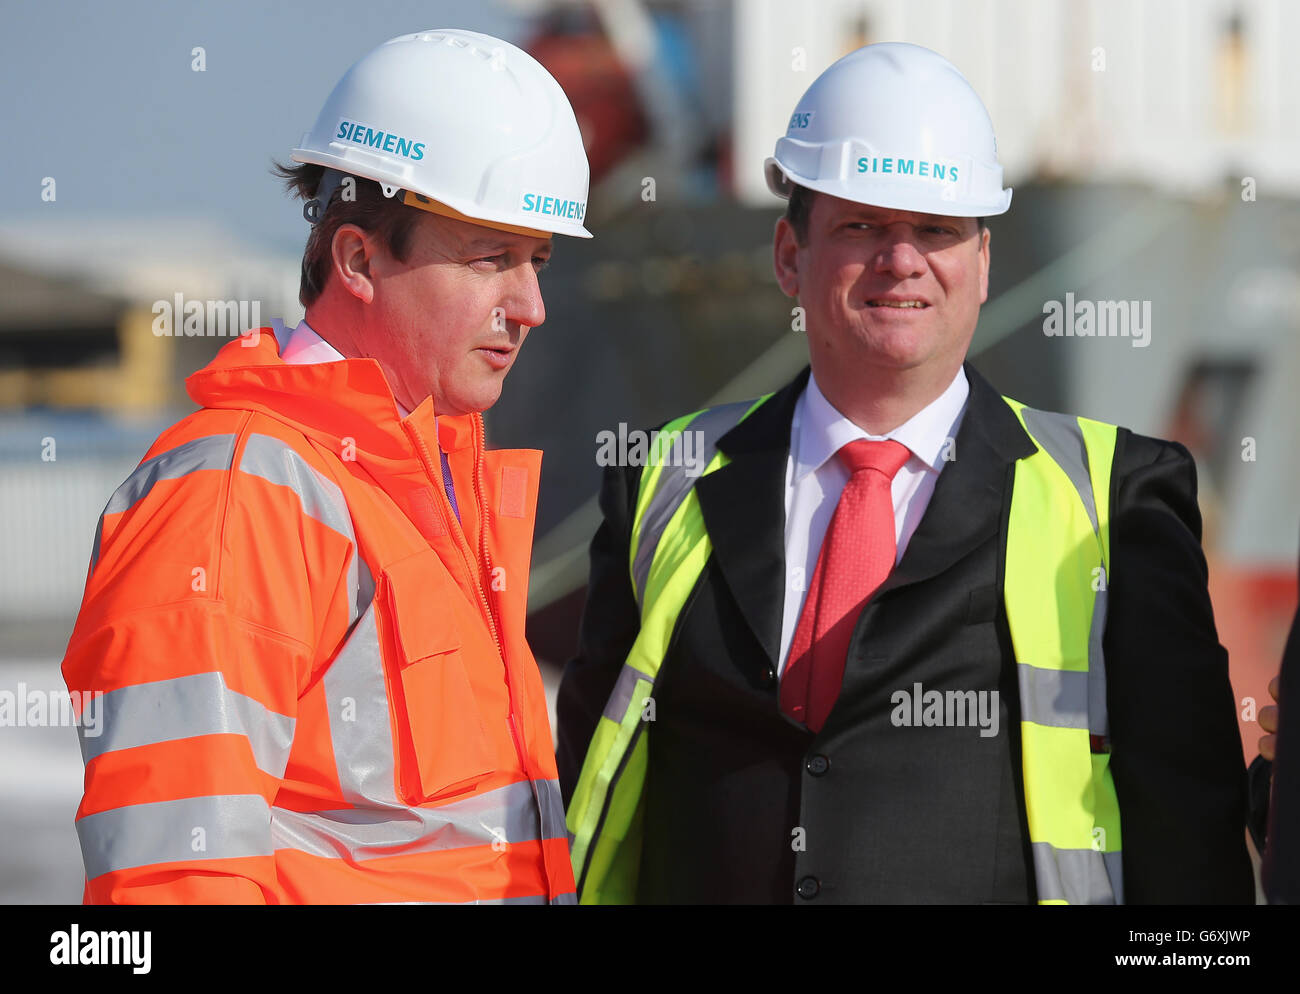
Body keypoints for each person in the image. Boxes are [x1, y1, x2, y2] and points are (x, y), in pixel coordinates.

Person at [557, 41, 1253, 904]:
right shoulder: (665, 479)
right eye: (862, 226)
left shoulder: (1120, 497)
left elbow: (1190, 831)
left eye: (936, 230)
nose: (901, 259)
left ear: (982, 262)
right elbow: (590, 778)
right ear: (788, 256)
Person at [61, 28, 591, 904]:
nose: (530, 305)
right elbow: (174, 873)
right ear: (357, 258)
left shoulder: (425, 487)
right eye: (492, 259)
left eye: (537, 260)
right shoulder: (236, 494)